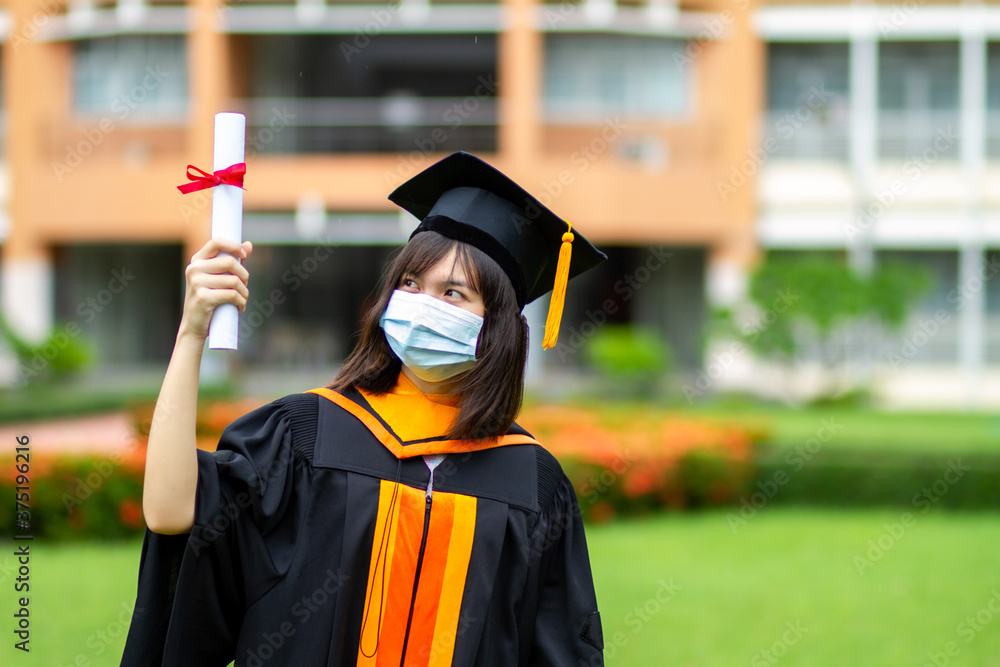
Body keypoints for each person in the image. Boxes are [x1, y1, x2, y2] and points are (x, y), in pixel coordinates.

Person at [121, 152, 607, 666]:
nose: (423, 306)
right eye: (412, 284)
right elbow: (170, 512)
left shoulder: (531, 482)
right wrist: (191, 332)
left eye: (453, 293)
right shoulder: (305, 436)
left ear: (498, 326)